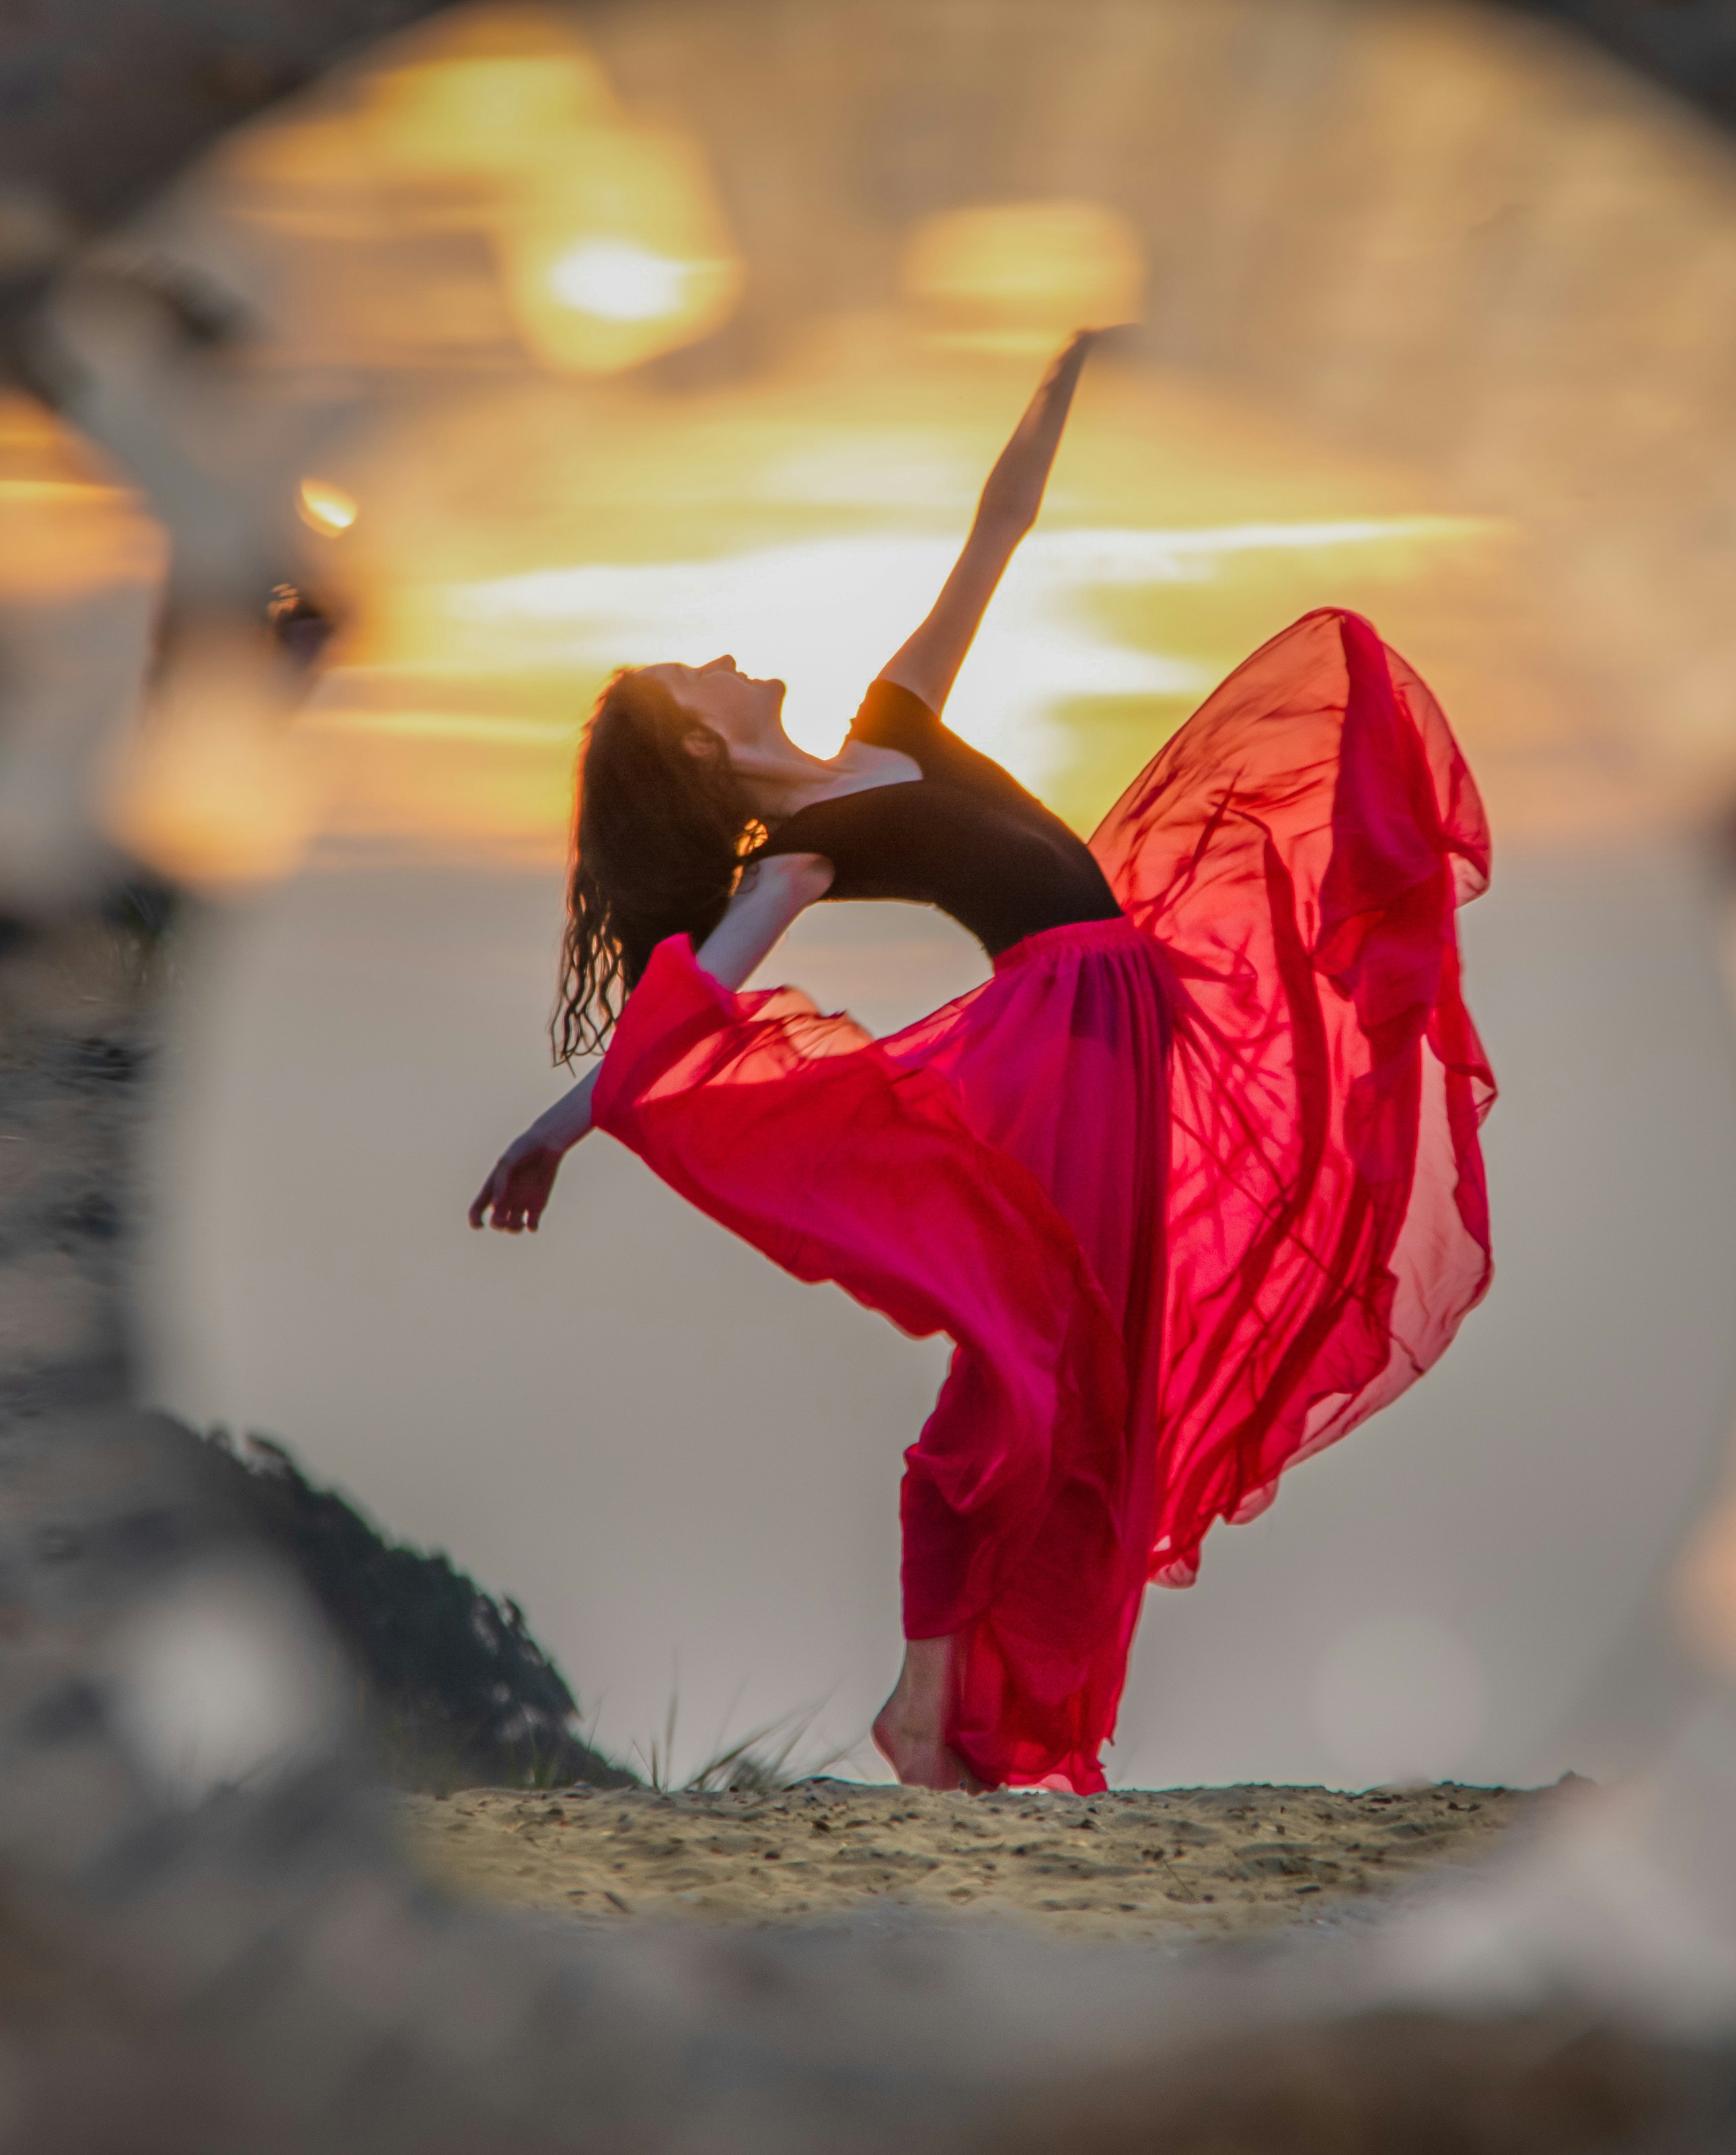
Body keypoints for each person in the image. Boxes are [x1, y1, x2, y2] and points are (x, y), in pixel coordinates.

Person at [469, 332, 1496, 1792]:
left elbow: (993, 534)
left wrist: (1065, 370)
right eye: (693, 673)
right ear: (697, 747)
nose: (722, 657)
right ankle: (925, 1710)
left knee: (1084, 1378)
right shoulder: (804, 849)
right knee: (1025, 1375)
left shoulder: (888, 728)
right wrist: (557, 1130)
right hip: (1058, 1055)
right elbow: (686, 1012)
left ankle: (936, 1711)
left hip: (1127, 1033)